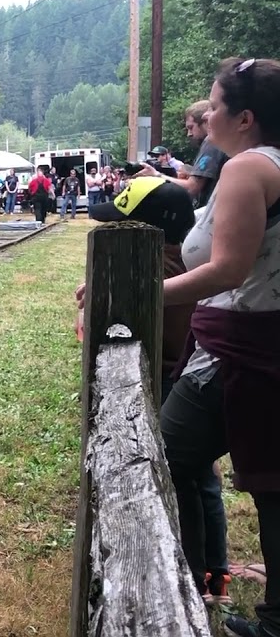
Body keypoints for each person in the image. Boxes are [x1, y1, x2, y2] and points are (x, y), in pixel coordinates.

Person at [144, 57, 280, 637]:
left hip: (240, 348)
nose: (206, 114)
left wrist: (141, 297)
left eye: (215, 105)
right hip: (258, 341)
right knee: (275, 482)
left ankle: (188, 588)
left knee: (161, 459)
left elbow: (227, 269)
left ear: (244, 118)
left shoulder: (248, 168)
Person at [83, 177, 221, 601]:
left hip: (164, 378)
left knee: (174, 476)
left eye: (122, 225)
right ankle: (215, 573)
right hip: (181, 375)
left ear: (147, 231)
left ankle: (192, 574)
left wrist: (101, 293)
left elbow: (97, 320)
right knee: (202, 480)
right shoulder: (189, 262)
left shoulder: (156, 267)